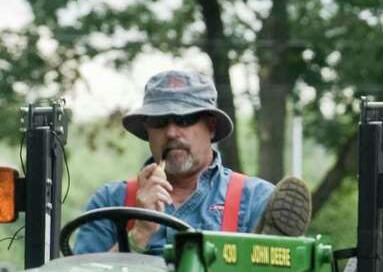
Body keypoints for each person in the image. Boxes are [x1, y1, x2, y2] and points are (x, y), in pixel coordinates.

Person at [74, 69, 310, 254]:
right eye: (159, 122)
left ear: (211, 126)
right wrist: (139, 234)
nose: (171, 132)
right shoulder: (110, 202)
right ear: (147, 131)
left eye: (184, 120)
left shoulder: (256, 200)